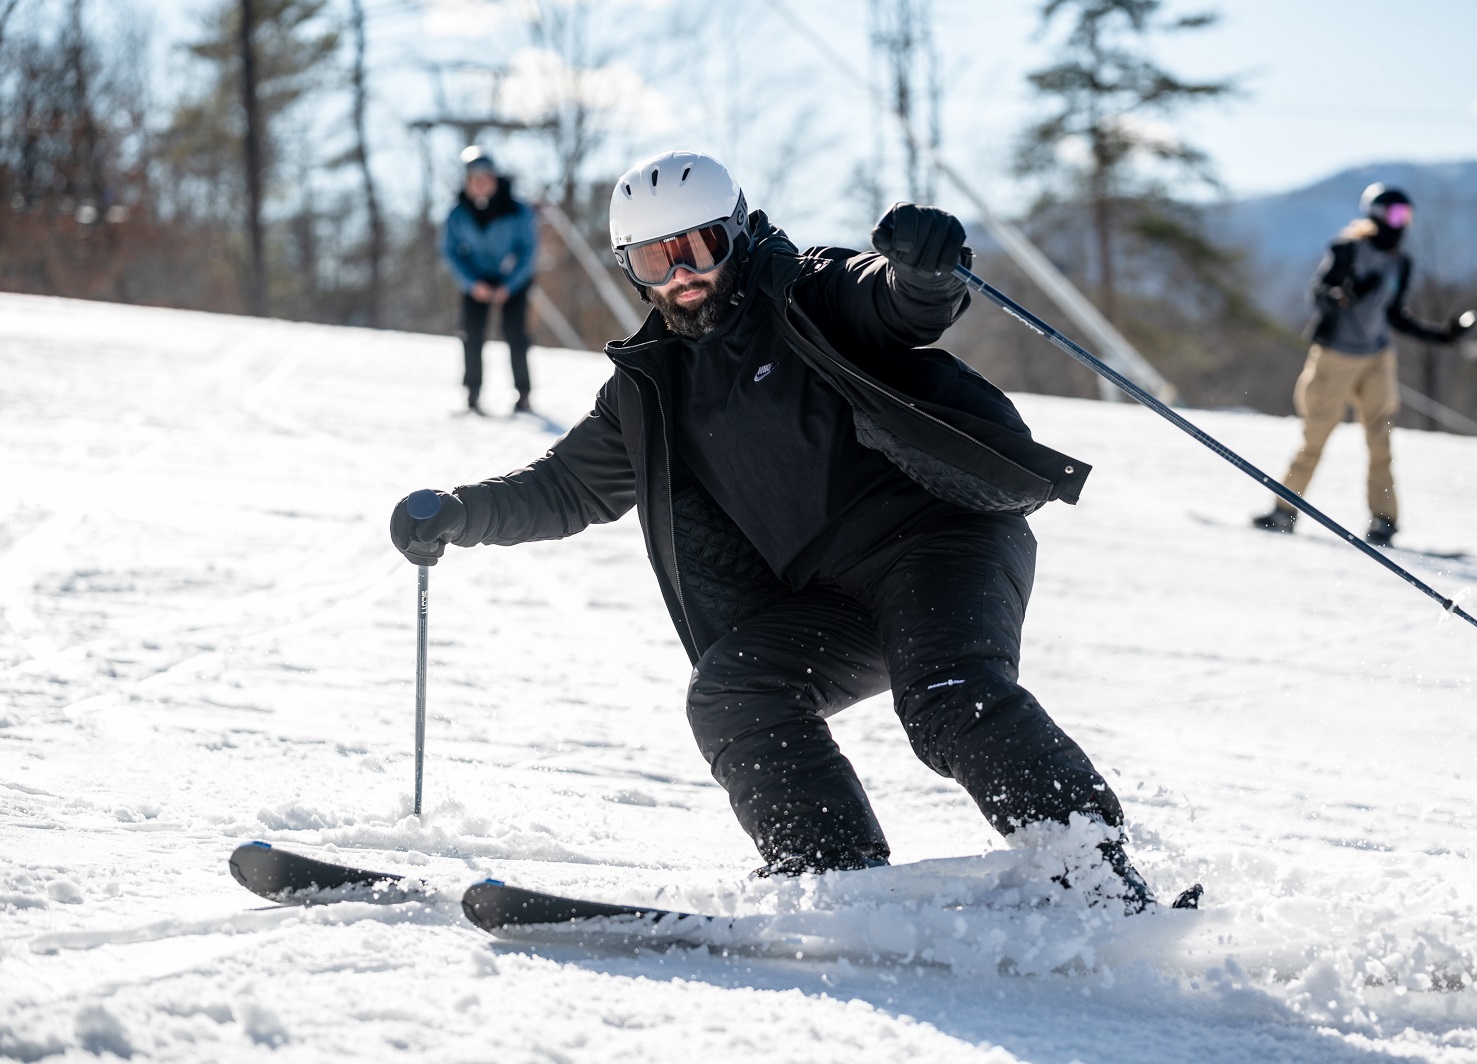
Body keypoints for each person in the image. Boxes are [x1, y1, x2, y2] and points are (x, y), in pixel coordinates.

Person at [394, 150, 1176, 913]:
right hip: (833, 594)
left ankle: (1091, 868)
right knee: (733, 690)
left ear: (736, 232)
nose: (681, 275)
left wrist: (922, 272)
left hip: (944, 541)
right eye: (651, 259)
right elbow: (568, 486)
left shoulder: (804, 289)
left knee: (947, 695)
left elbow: (893, 303)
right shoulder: (652, 382)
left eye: (696, 247)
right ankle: (829, 869)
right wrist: (461, 513)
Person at [1253, 184, 1475, 546]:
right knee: (1316, 436)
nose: (1401, 223)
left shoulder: (1400, 263)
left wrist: (1443, 335)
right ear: (1375, 213)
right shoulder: (1347, 249)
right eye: (1395, 214)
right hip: (1335, 356)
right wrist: (1339, 294)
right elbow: (1318, 293)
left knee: (1380, 439)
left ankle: (1384, 520)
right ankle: (1284, 510)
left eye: (1407, 216)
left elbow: (1395, 316)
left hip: (1376, 357)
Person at [439, 146, 539, 415]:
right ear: (467, 181)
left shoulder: (518, 211)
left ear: (495, 179)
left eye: (485, 177)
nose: (480, 184)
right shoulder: (457, 213)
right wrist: (472, 284)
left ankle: (524, 394)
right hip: (476, 279)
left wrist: (510, 285)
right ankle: (472, 394)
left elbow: (529, 251)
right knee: (471, 333)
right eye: (474, 179)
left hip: (512, 280)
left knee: (515, 332)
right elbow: (449, 251)